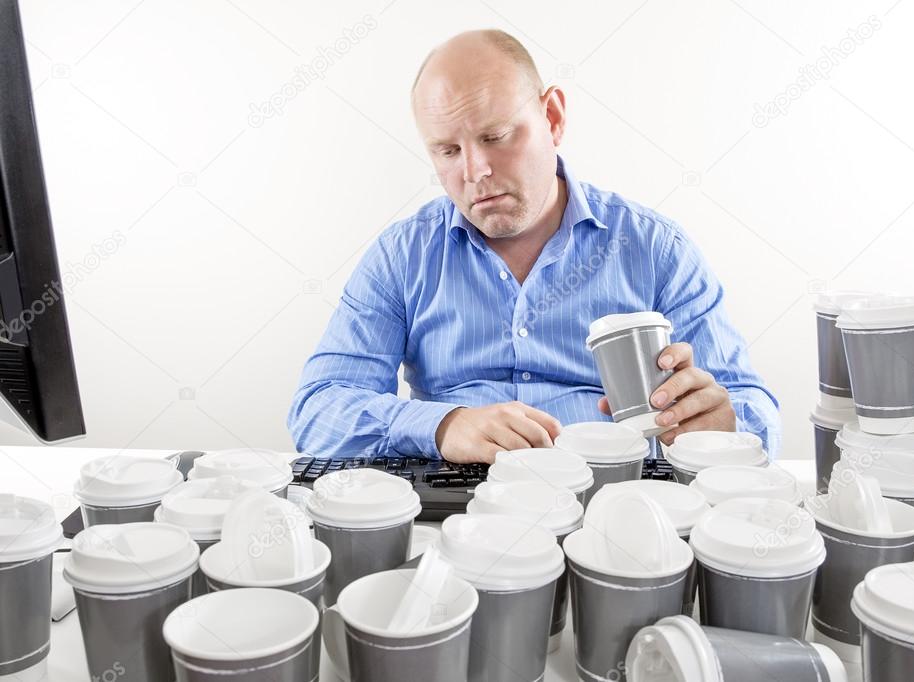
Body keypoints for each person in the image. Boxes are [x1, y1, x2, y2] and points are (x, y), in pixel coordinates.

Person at [288, 29, 780, 464]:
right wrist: (442, 426)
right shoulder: (402, 256)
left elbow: (754, 414)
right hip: (458, 508)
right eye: (448, 150)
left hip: (618, 499)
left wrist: (724, 427)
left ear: (553, 117)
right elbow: (318, 410)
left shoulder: (657, 249)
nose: (475, 172)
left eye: (495, 136)